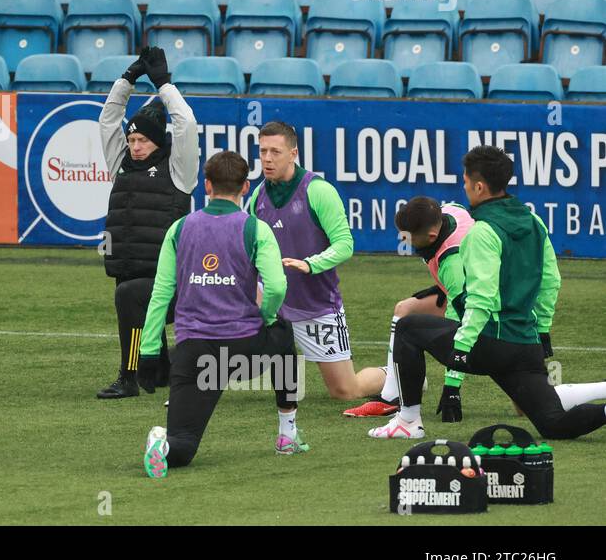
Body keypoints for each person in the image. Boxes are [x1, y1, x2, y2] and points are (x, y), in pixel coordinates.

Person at [370, 146, 606, 440]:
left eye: (466, 181)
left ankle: (407, 421)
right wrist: (542, 331)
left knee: (407, 327)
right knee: (553, 423)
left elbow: (481, 297)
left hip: (489, 343)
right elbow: (550, 282)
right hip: (524, 344)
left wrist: (460, 352)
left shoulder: (482, 232)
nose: (465, 187)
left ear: (479, 186)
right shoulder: (535, 222)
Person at [137, 150, 304, 475]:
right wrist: (267, 318)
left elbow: (160, 293)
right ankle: (287, 434)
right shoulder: (255, 229)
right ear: (245, 188)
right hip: (243, 351)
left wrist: (147, 352)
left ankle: (163, 444)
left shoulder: (179, 228)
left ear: (207, 185)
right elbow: (276, 287)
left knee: (182, 445)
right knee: (284, 334)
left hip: (194, 353)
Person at [95, 46, 198, 399]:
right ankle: (162, 370)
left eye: (143, 140)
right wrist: (127, 78)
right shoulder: (120, 162)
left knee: (129, 298)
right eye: (132, 139)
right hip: (130, 265)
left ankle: (130, 376)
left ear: (158, 140)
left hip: (176, 278)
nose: (135, 146)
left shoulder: (179, 168)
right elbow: (108, 119)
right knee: (130, 295)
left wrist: (163, 84)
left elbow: (186, 123)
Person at [247, 120, 373, 401]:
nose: (267, 158)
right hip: (273, 305)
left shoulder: (318, 191)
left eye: (275, 152)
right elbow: (253, 250)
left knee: (345, 391)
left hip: (316, 307)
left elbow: (345, 245)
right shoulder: (258, 196)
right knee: (222, 359)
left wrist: (310, 264)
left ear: (293, 154)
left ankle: (398, 376)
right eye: (263, 151)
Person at [344, 197, 471, 420]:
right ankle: (393, 395)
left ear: (431, 236)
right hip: (463, 288)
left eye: (410, 237)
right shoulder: (448, 211)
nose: (405, 241)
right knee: (404, 310)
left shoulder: (451, 262)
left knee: (526, 403)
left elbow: (460, 325)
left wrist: (452, 388)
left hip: (489, 309)